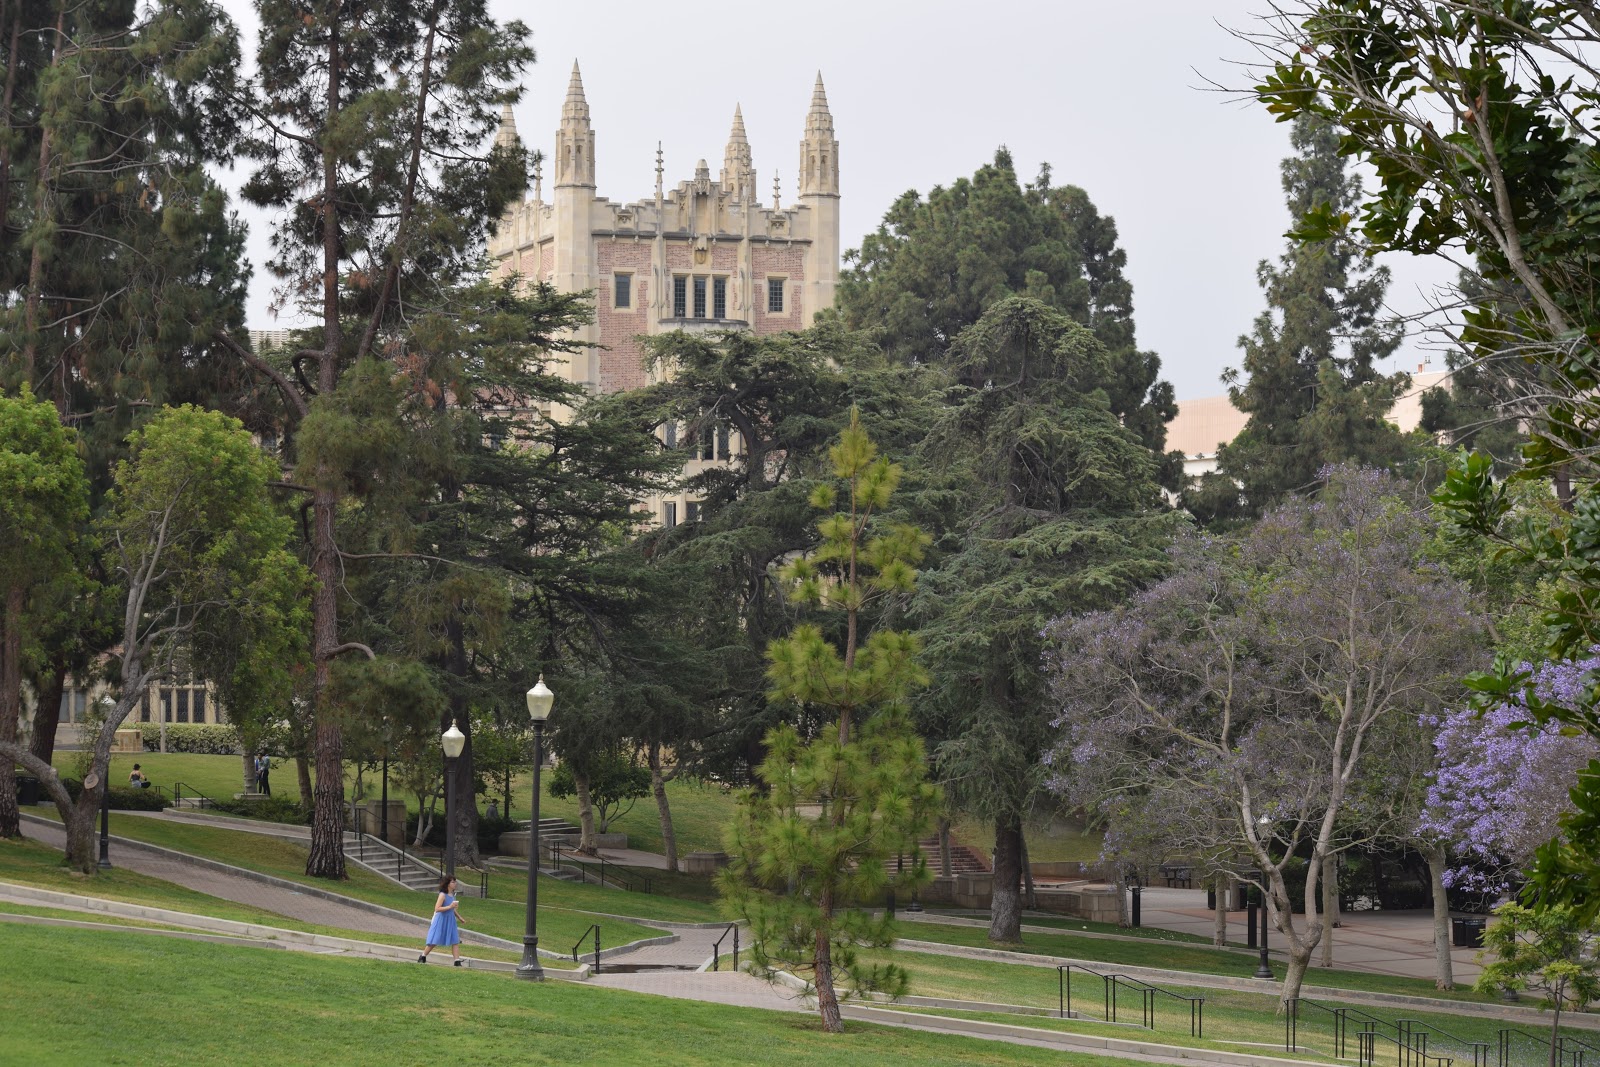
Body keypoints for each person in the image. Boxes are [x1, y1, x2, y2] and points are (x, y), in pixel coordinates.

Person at [418, 875, 465, 966]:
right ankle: (423, 956)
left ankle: (457, 961)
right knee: (435, 940)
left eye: (455, 882)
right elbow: (437, 908)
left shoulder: (452, 895)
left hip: (450, 919)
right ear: (447, 884)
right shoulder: (442, 895)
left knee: (455, 940)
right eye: (453, 882)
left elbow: (453, 909)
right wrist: (449, 906)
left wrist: (459, 917)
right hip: (441, 919)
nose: (455, 884)